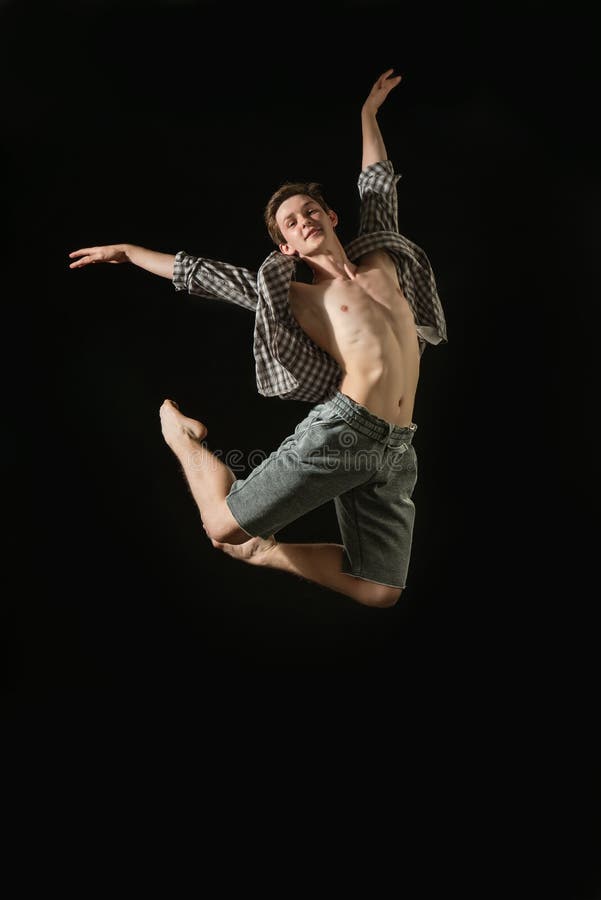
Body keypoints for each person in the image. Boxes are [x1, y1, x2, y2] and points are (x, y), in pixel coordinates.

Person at [68, 68, 447, 609]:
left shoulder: (384, 256)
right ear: (287, 248)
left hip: (398, 445)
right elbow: (204, 273)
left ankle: (263, 553)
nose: (303, 220)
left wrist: (368, 114)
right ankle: (179, 437)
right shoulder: (298, 297)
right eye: (290, 223)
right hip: (347, 431)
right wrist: (128, 252)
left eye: (310, 210)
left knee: (380, 591)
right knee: (221, 526)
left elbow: (378, 182)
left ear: (331, 215)